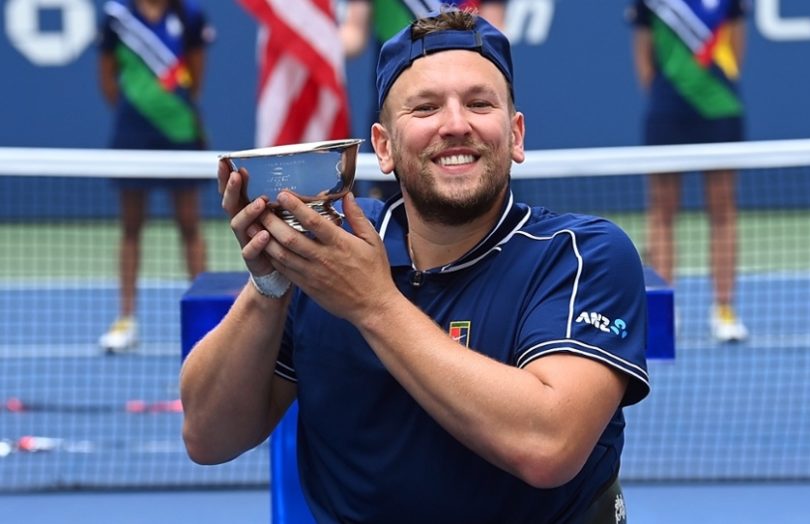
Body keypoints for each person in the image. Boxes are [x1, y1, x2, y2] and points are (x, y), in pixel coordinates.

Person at [181, 8, 649, 523]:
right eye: (425, 108)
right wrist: (271, 284)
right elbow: (207, 436)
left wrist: (373, 305)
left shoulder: (581, 255)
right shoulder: (330, 250)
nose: (455, 124)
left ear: (516, 135)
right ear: (383, 147)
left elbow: (548, 446)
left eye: (478, 103)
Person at [97, 0, 214, 353]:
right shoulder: (116, 17)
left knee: (190, 225)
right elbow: (107, 78)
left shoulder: (190, 15)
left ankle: (205, 322)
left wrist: (170, 112)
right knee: (131, 227)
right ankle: (127, 319)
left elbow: (195, 77)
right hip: (133, 135)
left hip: (180, 133)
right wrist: (141, 108)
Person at [628, 0, 749, 343]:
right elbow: (643, 56)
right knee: (662, 209)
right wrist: (666, 93)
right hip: (667, 110)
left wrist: (710, 86)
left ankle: (724, 310)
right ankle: (666, 313)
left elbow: (737, 51)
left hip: (720, 105)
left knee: (723, 207)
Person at [339, 0, 508, 199]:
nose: (455, 127)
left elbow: (493, 36)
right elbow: (354, 35)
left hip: (467, 87)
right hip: (399, 109)